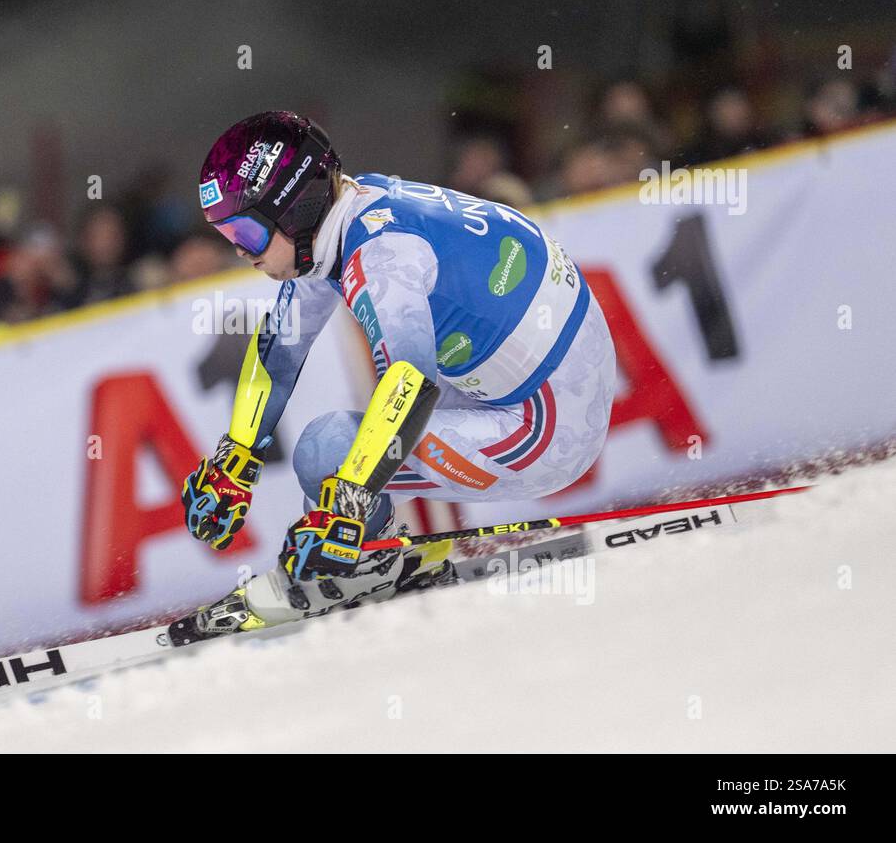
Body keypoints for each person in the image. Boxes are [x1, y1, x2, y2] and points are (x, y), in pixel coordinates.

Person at [180, 111, 617, 635]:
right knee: (343, 457)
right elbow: (282, 347)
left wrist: (348, 501)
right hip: (537, 379)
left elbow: (408, 385)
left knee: (327, 450)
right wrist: (238, 454)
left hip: (550, 426)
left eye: (246, 230)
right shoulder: (343, 220)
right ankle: (379, 554)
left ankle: (370, 564)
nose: (240, 252)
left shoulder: (380, 255)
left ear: (296, 208)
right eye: (226, 232)